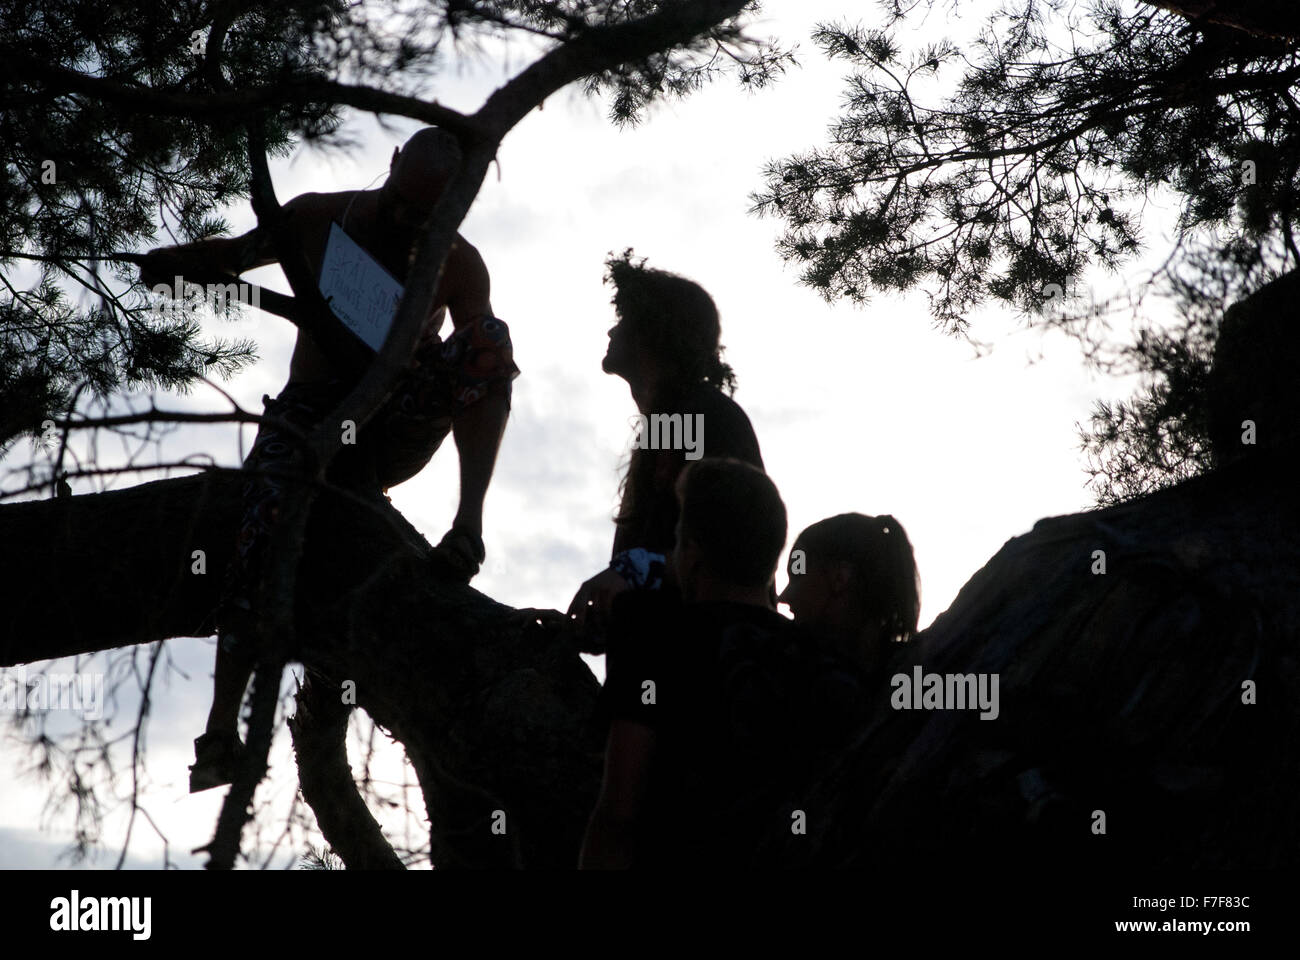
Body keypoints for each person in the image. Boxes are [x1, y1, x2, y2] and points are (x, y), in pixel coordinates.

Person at [140, 127, 520, 791]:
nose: (407, 221)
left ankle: (469, 528)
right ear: (393, 162)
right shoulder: (319, 217)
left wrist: (423, 367)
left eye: (427, 216)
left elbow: (476, 378)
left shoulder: (459, 265)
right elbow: (234, 257)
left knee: (487, 339)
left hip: (389, 426)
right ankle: (223, 726)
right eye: (403, 203)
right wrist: (168, 263)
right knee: (261, 517)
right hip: (309, 415)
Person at [580, 459, 867, 869]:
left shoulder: (649, 628)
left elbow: (618, 815)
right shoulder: (830, 666)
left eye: (679, 540)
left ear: (692, 554)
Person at [566, 253, 763, 647]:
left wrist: (632, 570)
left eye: (624, 320)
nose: (611, 331)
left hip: (712, 666)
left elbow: (731, 555)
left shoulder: (701, 415)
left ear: (652, 330)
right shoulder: (666, 425)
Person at [778, 513, 920, 681]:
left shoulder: (801, 676)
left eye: (796, 577)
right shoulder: (917, 677)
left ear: (840, 578)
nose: (783, 596)